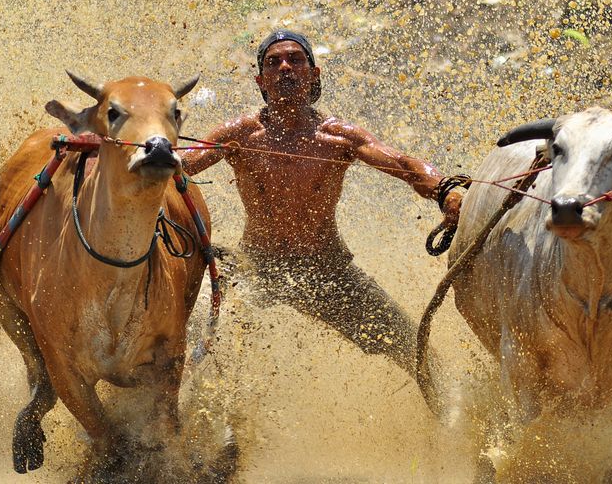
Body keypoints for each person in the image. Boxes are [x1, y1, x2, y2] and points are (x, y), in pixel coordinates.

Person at [182, 30, 462, 406]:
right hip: (256, 267)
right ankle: (191, 437)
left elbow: (402, 163)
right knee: (201, 340)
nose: (285, 68)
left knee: (414, 349)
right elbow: (180, 165)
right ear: (260, 81)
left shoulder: (338, 136)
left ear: (313, 74)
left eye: (295, 60)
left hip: (327, 269)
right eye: (273, 62)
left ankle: (463, 423)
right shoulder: (241, 134)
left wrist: (446, 191)